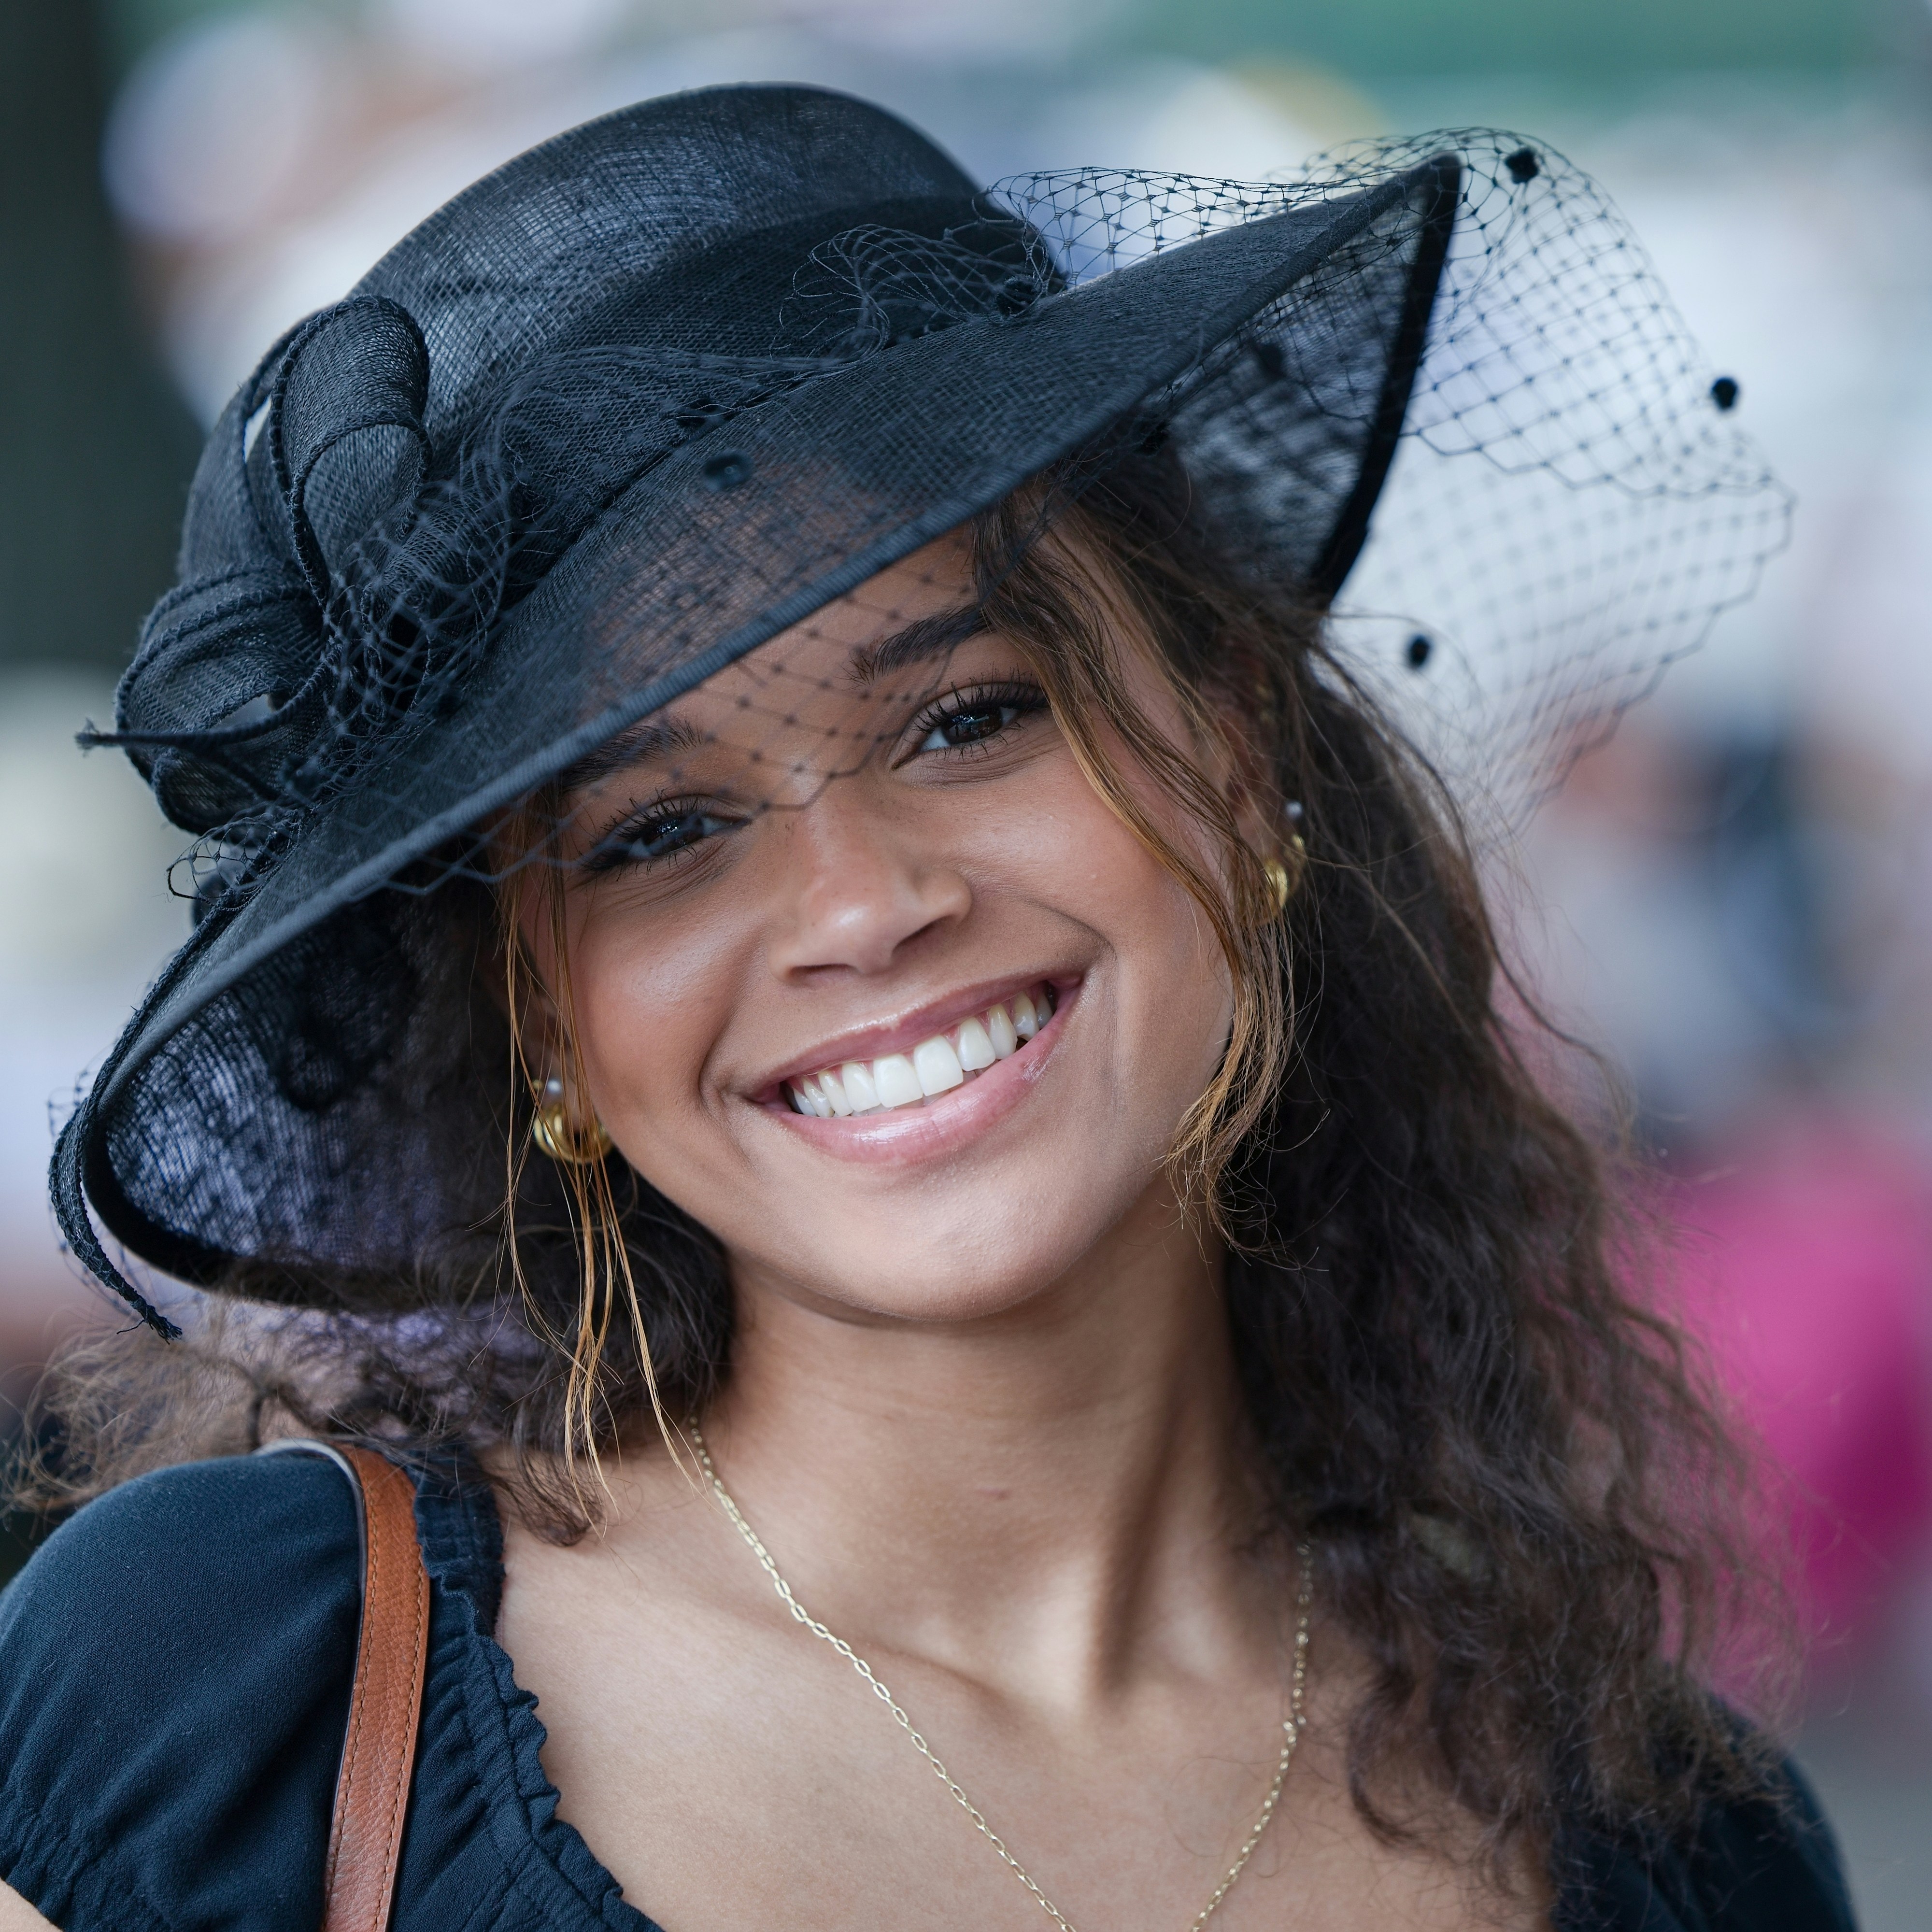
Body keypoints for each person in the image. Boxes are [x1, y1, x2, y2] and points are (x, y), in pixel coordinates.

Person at [0, 85, 1849, 1932]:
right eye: (662, 831)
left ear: (1233, 737)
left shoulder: (1679, 1852)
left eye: (967, 717)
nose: (867, 906)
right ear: (545, 1022)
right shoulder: (238, 1705)